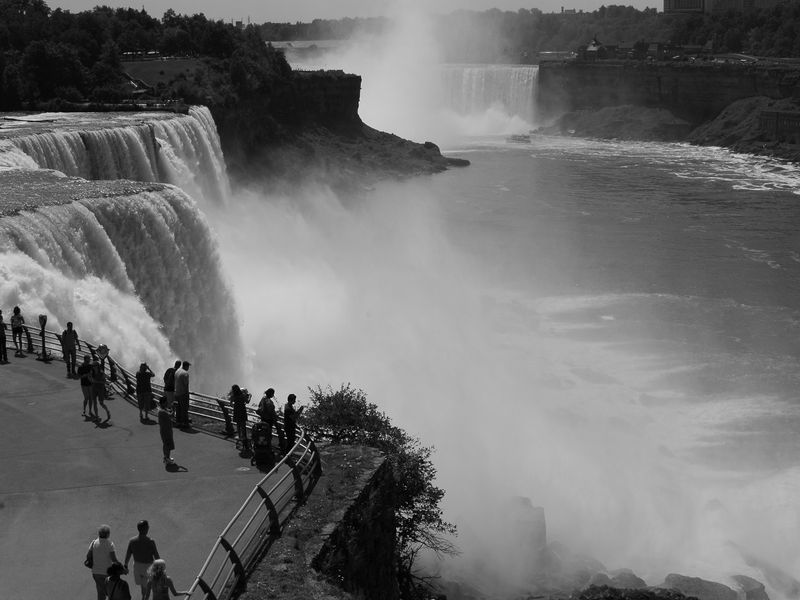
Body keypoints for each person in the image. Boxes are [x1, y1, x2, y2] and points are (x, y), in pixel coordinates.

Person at [124, 520, 160, 600]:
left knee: (143, 584)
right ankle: (144, 597)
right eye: (148, 527)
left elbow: (128, 554)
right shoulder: (150, 541)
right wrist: (160, 567)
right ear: (145, 529)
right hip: (148, 567)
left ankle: (144, 597)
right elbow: (157, 556)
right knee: (147, 584)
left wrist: (125, 565)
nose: (149, 528)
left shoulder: (132, 541)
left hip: (137, 566)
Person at [88, 524, 121, 600]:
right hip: (107, 574)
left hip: (96, 573)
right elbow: (114, 560)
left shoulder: (93, 543)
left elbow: (88, 556)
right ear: (108, 534)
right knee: (111, 593)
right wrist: (122, 567)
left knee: (100, 594)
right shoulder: (110, 544)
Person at [228, 384, 250, 453]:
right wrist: (250, 396)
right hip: (242, 411)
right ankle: (244, 439)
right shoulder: (242, 395)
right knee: (243, 426)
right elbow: (247, 401)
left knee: (238, 425)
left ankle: (239, 437)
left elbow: (231, 404)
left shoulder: (233, 396)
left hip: (236, 411)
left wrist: (235, 405)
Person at [91, 358, 111, 422]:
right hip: (94, 388)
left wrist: (96, 381)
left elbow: (104, 381)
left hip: (100, 389)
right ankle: (96, 416)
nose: (94, 367)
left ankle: (107, 411)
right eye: (93, 366)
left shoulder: (101, 373)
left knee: (101, 403)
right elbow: (91, 380)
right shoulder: (92, 372)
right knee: (94, 403)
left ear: (97, 366)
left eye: (95, 366)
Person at [157, 396, 174, 464]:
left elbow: (169, 411)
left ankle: (167, 457)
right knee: (167, 444)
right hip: (165, 431)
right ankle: (166, 458)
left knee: (167, 444)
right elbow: (171, 415)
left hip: (166, 430)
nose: (167, 403)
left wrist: (172, 408)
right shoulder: (162, 411)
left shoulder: (162, 409)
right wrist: (174, 408)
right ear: (163, 403)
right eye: (166, 402)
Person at [173, 361, 191, 428]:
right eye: (188, 366)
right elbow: (186, 385)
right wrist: (187, 394)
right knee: (184, 409)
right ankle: (185, 424)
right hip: (183, 394)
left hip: (176, 393)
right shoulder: (185, 373)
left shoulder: (177, 371)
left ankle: (178, 422)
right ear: (186, 366)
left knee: (178, 409)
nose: (188, 368)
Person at [78, 354, 95, 419]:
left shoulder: (91, 366)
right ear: (85, 359)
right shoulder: (81, 367)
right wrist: (86, 375)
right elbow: (79, 376)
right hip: (84, 384)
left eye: (90, 359)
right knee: (86, 398)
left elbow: (93, 374)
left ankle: (90, 411)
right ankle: (84, 410)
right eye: (88, 359)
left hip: (90, 384)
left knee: (91, 398)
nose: (89, 360)